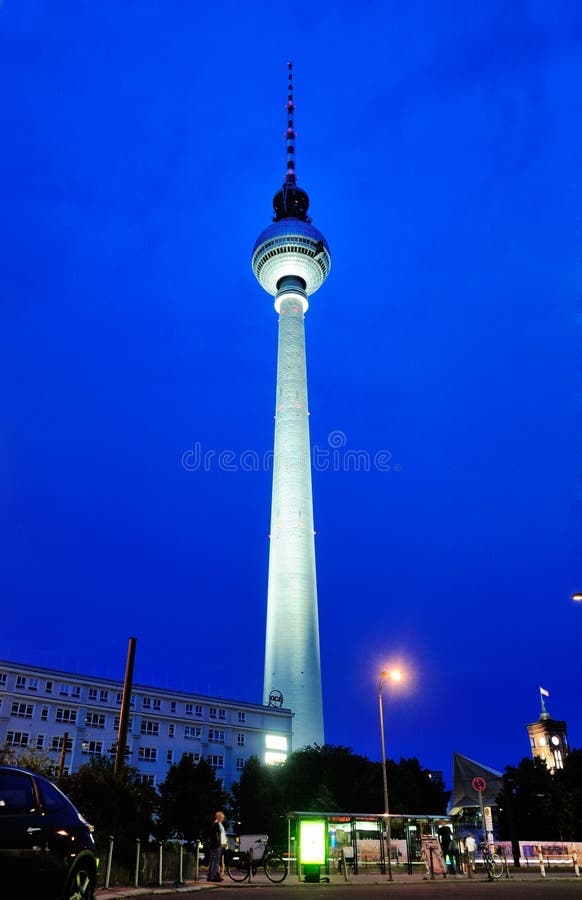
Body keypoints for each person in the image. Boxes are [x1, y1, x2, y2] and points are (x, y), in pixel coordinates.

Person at [207, 811, 227, 882]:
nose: (222, 818)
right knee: (215, 861)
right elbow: (217, 835)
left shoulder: (216, 824)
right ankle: (214, 876)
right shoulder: (216, 824)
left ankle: (210, 876)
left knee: (212, 861)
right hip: (216, 845)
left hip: (214, 845)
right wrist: (219, 844)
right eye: (222, 817)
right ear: (219, 817)